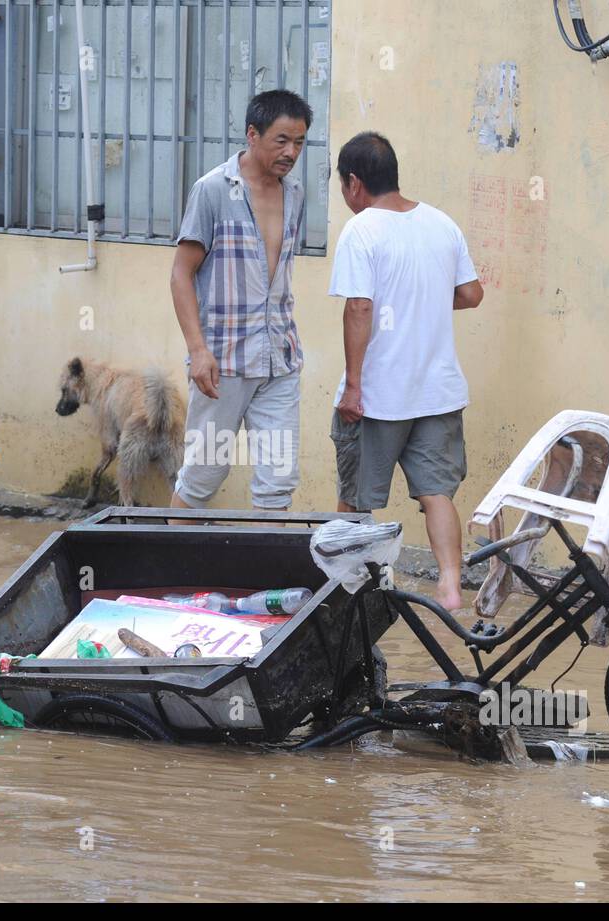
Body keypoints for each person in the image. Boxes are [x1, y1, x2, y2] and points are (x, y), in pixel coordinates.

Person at [328, 132, 484, 611]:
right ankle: (452, 587)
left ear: (355, 183)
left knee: (355, 502)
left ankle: (345, 594)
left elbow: (358, 307)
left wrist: (354, 387)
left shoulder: (362, 230)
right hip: (437, 393)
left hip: (379, 397)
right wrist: (427, 302)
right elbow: (472, 293)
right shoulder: (441, 223)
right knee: (436, 494)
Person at [169, 90, 312, 513]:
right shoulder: (213, 190)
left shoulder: (297, 193)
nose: (291, 152)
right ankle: (168, 574)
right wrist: (197, 350)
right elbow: (181, 273)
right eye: (281, 140)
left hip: (280, 362)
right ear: (253, 135)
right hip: (222, 363)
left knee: (278, 482)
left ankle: (267, 582)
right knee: (202, 476)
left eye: (300, 142)